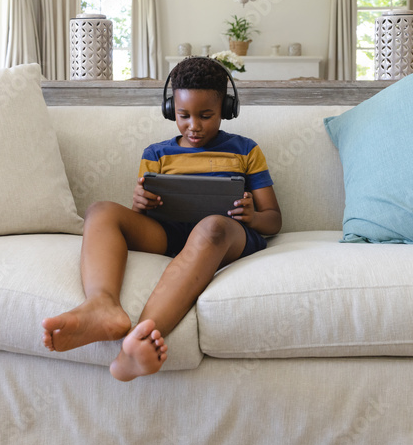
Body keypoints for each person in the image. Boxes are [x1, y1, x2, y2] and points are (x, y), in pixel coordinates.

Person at [42, 56, 282, 381]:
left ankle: (138, 339)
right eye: (183, 116)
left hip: (224, 236)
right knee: (100, 210)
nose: (193, 125)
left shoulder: (245, 150)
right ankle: (102, 305)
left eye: (206, 115)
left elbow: (274, 220)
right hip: (168, 233)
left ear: (225, 108)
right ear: (171, 110)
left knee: (210, 227)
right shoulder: (156, 154)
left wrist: (252, 215)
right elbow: (141, 216)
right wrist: (141, 205)